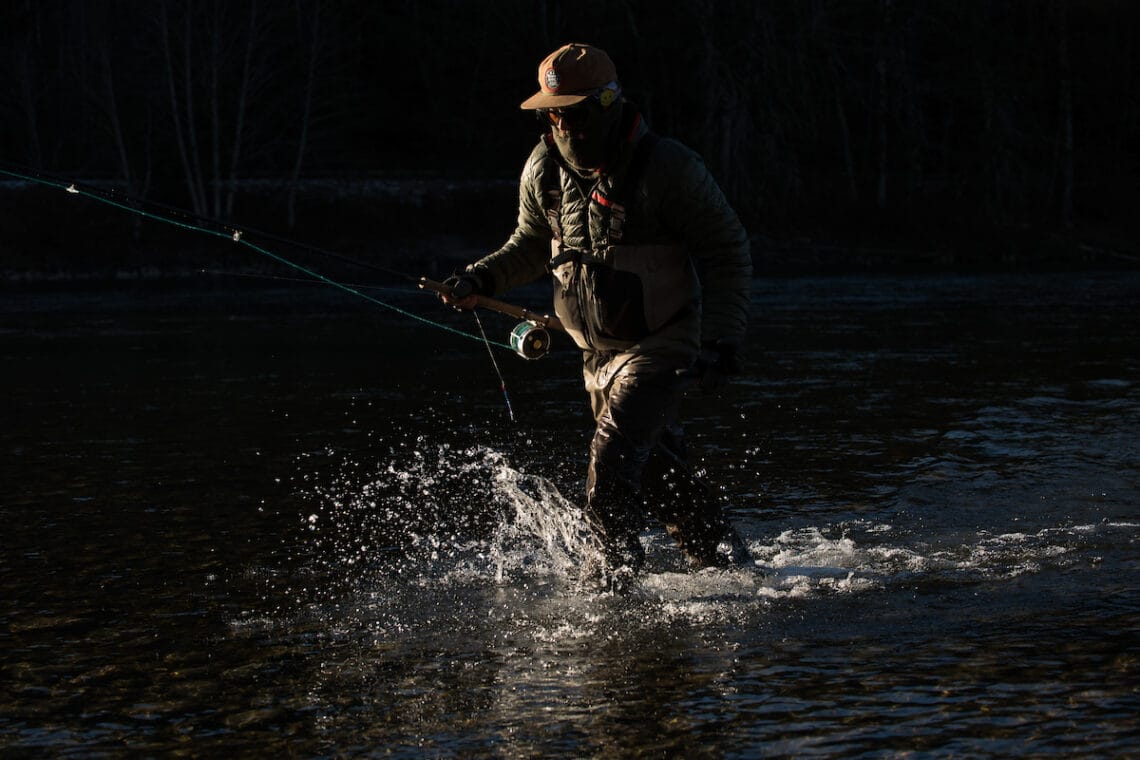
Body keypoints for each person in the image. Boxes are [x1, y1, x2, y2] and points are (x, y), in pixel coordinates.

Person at [441, 42, 752, 588]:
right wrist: (480, 278)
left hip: (662, 346)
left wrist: (723, 339)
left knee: (610, 462)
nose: (564, 125)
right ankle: (729, 570)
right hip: (595, 357)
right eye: (553, 113)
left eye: (577, 112)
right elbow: (530, 245)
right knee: (656, 472)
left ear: (610, 104)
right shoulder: (542, 168)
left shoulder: (671, 168)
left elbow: (727, 251)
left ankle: (611, 586)